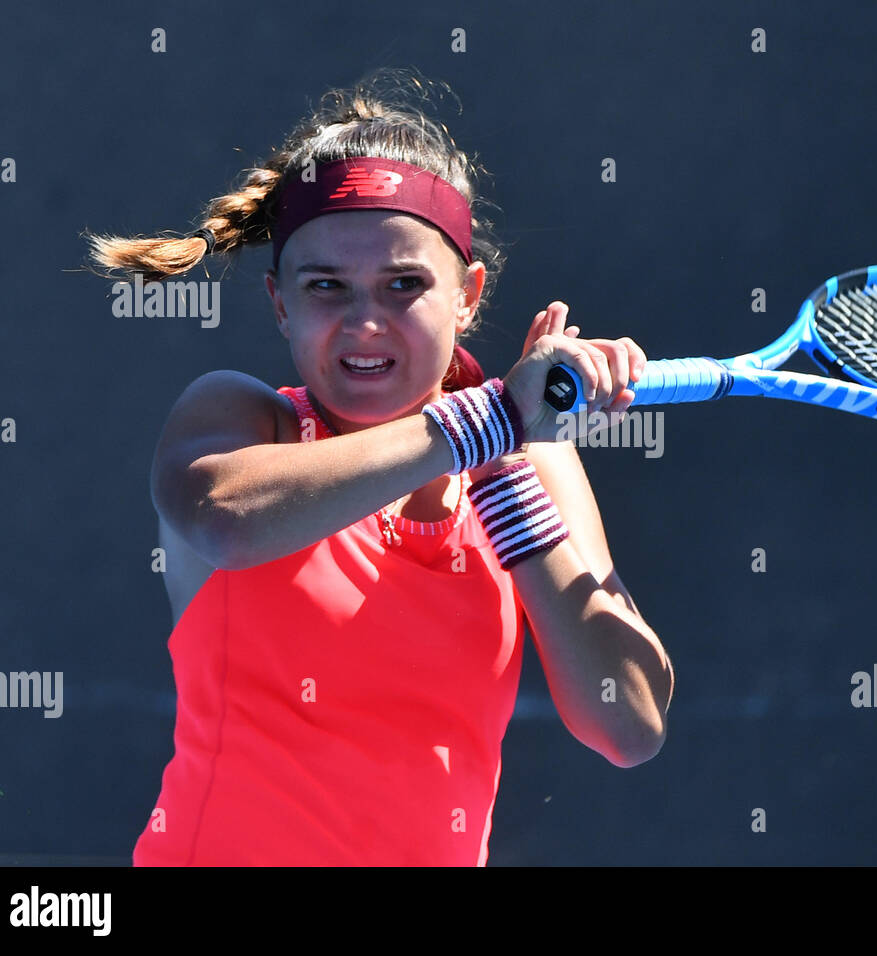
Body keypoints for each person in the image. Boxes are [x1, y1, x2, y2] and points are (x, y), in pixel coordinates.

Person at [85, 69, 674, 866]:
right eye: (327, 286)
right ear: (280, 304)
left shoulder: (530, 462)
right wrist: (490, 419)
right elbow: (225, 521)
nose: (365, 322)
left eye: (404, 285)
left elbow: (628, 722)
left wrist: (502, 468)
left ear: (467, 296)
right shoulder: (238, 418)